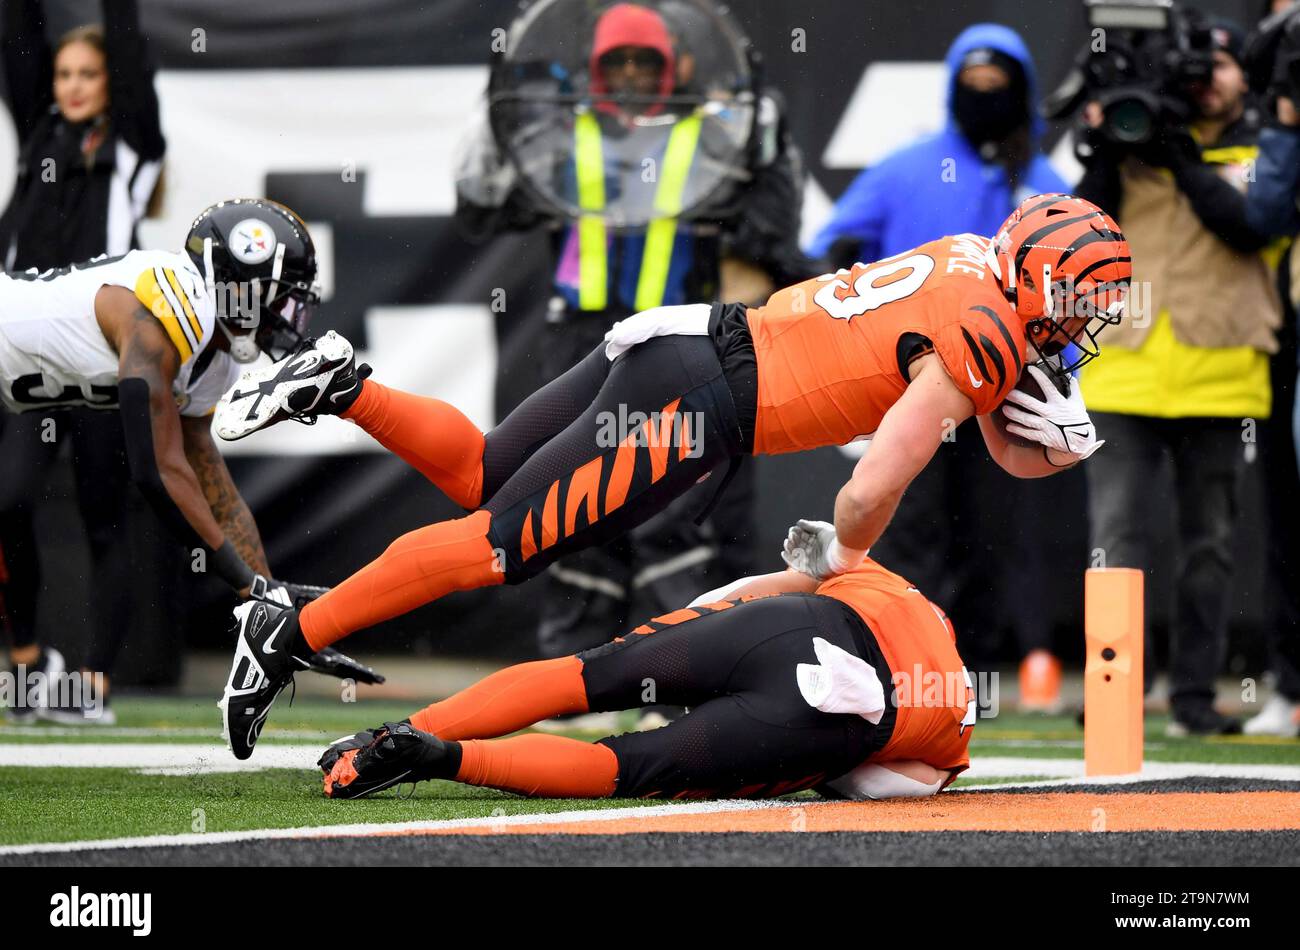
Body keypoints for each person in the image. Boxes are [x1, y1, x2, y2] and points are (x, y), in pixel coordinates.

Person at [215, 192, 1130, 759]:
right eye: (1088, 304)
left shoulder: (976, 261)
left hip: (688, 337)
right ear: (1048, 283)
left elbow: (985, 423)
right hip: (698, 400)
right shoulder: (991, 336)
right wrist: (842, 550)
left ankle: (344, 385)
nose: (1089, 328)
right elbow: (870, 485)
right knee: (498, 548)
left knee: (484, 471)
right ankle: (292, 626)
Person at [455, 2, 812, 722]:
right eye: (614, 62)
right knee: (570, 503)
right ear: (594, 69)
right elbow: (480, 203)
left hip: (671, 342)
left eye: (642, 62)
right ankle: (572, 680)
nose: (627, 75)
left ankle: (678, 683)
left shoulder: (717, 132)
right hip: (575, 340)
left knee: (668, 511)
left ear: (669, 67)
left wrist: (761, 116)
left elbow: (772, 211)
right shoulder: (557, 131)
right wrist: (493, 108)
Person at [0, 198, 370, 721]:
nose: (287, 316)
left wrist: (279, 611)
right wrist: (250, 586)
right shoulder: (167, 311)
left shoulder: (212, 356)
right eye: (278, 298)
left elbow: (211, 481)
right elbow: (159, 473)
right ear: (234, 285)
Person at [806, 24, 1073, 710]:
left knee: (992, 536)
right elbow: (827, 247)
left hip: (1003, 395)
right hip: (912, 390)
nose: (985, 98)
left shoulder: (1045, 187)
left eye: (999, 86)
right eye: (972, 85)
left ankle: (970, 674)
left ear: (1025, 95)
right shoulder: (904, 170)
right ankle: (906, 661)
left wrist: (1060, 373)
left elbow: (1072, 293)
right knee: (910, 526)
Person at [320, 544, 972, 802]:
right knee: (623, 766)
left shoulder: (890, 582)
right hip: (831, 715)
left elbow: (748, 589)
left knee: (584, 675)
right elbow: (889, 788)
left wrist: (688, 641)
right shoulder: (952, 732)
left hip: (781, 624)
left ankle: (395, 731)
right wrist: (823, 774)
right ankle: (442, 758)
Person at [1075, 21, 1281, 735]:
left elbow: (1254, 227)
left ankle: (1193, 699)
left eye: (1218, 66)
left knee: (1208, 547)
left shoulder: (1267, 150)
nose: (1203, 82)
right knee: (1117, 538)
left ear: (1245, 76)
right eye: (1190, 69)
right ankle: (1112, 695)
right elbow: (1076, 222)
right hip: (1123, 376)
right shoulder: (1135, 136)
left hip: (1222, 375)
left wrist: (1185, 159)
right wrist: (1112, 141)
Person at [0, 0, 165, 724]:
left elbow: (128, 48)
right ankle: (30, 667)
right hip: (31, 351)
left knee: (106, 517)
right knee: (8, 501)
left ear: (109, 83)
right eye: (63, 73)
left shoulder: (133, 143)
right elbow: (17, 35)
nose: (71, 86)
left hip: (100, 359)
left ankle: (91, 687)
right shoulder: (38, 131)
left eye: (87, 74)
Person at [1242, 0, 1300, 737]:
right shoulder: (1279, 116)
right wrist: (1286, 122)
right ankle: (1291, 683)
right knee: (1290, 517)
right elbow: (1264, 213)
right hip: (1293, 331)